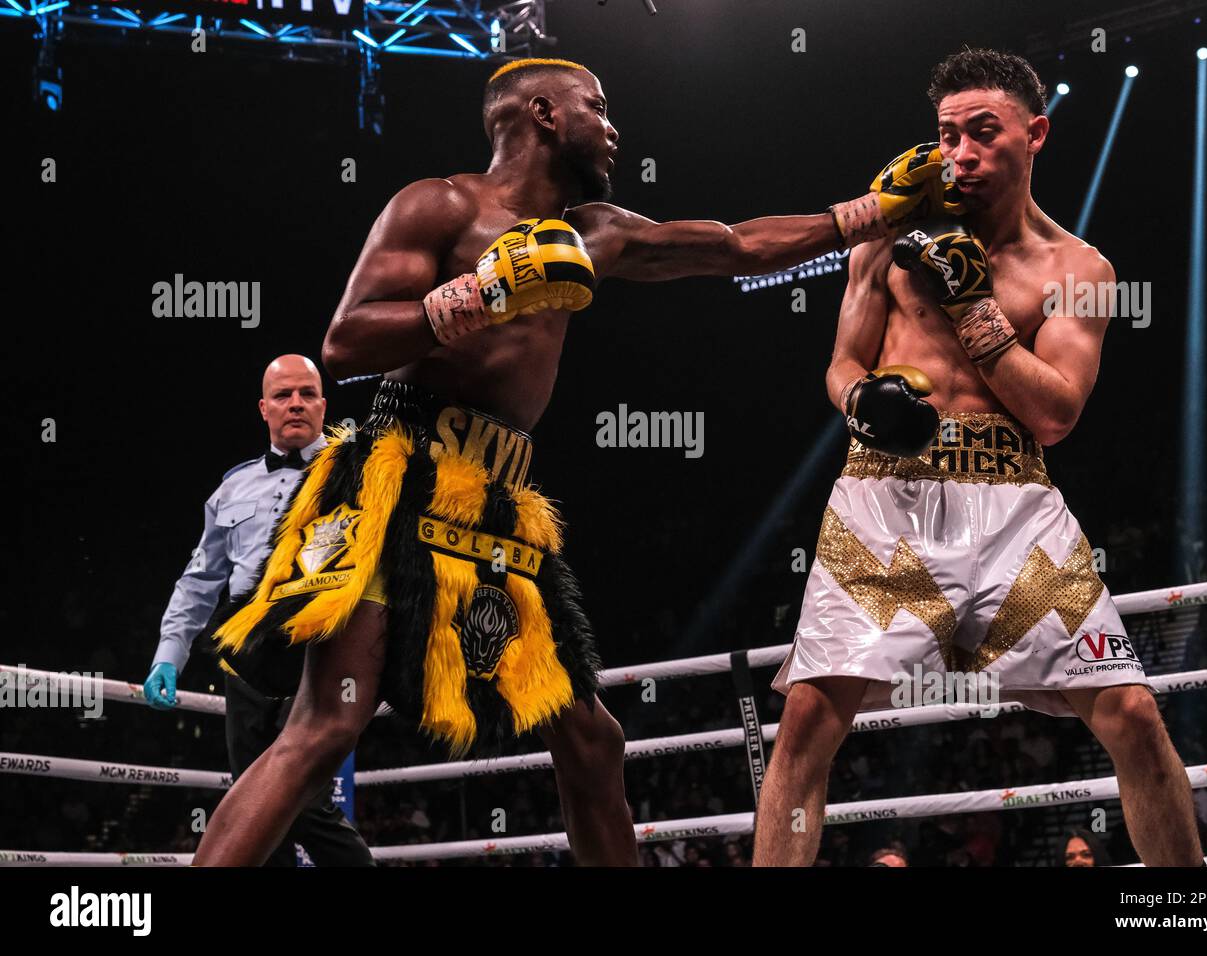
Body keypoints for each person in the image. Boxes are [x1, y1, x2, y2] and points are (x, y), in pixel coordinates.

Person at [193, 57, 918, 866]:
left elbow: (737, 246)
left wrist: (871, 211)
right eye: (598, 108)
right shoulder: (440, 204)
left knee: (590, 741)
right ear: (542, 113)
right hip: (397, 472)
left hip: (495, 503)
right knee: (327, 724)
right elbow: (346, 343)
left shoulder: (596, 231)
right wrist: (484, 292)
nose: (613, 129)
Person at [753, 48, 1202, 867]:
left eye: (981, 133)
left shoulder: (1082, 269)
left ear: (1035, 135)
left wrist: (970, 301)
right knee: (807, 724)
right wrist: (861, 403)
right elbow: (842, 364)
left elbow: (1057, 412)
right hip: (886, 497)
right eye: (946, 134)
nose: (958, 152)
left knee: (1133, 716)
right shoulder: (885, 242)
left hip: (1015, 505)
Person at [145, 355, 372, 866]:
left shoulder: (359, 474)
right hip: (243, 655)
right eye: (284, 394)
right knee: (253, 802)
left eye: (307, 393)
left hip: (319, 648)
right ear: (264, 408)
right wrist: (169, 653)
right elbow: (200, 578)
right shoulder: (232, 487)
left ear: (323, 406)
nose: (296, 403)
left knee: (300, 801)